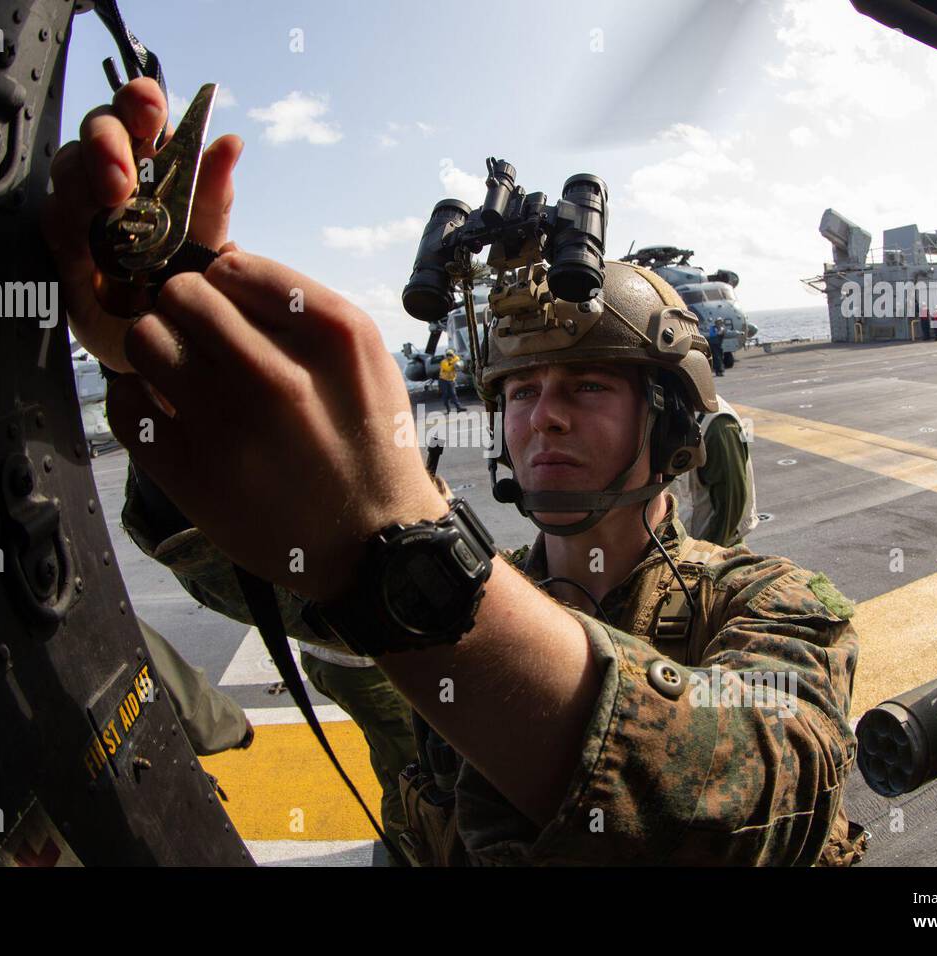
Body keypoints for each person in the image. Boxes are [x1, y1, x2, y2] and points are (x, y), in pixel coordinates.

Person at [43, 77, 864, 866]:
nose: (544, 414)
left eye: (586, 386)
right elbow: (253, 554)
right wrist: (153, 359)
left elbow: (760, 801)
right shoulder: (461, 580)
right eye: (521, 391)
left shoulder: (773, 603)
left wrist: (410, 571)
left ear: (674, 419)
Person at [672, 395, 759, 547]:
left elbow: (731, 502)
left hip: (714, 549)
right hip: (687, 547)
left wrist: (707, 555)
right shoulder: (676, 408)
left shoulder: (717, 424)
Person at [438, 348, 465, 413]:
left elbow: (457, 358)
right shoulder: (443, 362)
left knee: (453, 394)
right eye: (448, 355)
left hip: (451, 380)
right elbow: (448, 369)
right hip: (443, 380)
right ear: (446, 356)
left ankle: (458, 408)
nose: (449, 356)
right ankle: (448, 409)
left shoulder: (455, 359)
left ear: (453, 355)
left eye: (450, 355)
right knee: (445, 395)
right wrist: (453, 364)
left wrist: (453, 356)